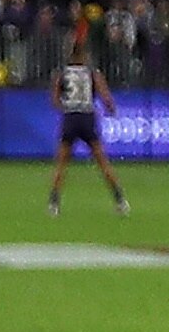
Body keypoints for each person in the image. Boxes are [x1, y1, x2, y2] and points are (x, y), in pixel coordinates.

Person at [43, 23, 126, 218]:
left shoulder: (61, 73)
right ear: (84, 54)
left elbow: (54, 101)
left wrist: (66, 105)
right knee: (102, 162)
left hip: (71, 118)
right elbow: (106, 98)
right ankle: (120, 200)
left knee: (61, 164)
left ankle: (54, 203)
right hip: (87, 118)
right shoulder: (92, 73)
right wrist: (110, 108)